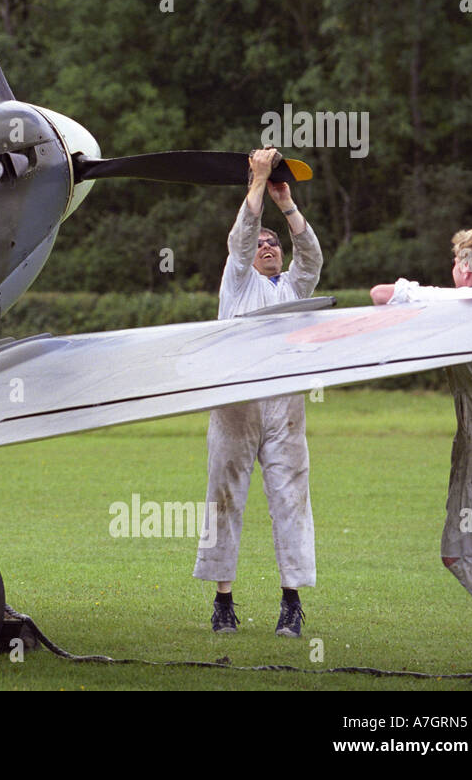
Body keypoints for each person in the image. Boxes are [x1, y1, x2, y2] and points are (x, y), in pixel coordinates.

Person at [371, 229, 472, 686]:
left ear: (468, 268)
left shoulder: (463, 305)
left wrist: (418, 297)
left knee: (460, 551)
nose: (453, 270)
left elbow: (381, 295)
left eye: (457, 262)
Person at [194, 147, 322, 636]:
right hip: (236, 401)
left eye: (275, 244)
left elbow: (312, 255)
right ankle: (223, 601)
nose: (267, 246)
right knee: (224, 499)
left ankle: (291, 603)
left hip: (286, 408)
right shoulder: (237, 280)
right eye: (261, 242)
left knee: (291, 499)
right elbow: (240, 236)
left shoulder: (294, 287)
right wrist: (257, 182)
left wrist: (286, 203)